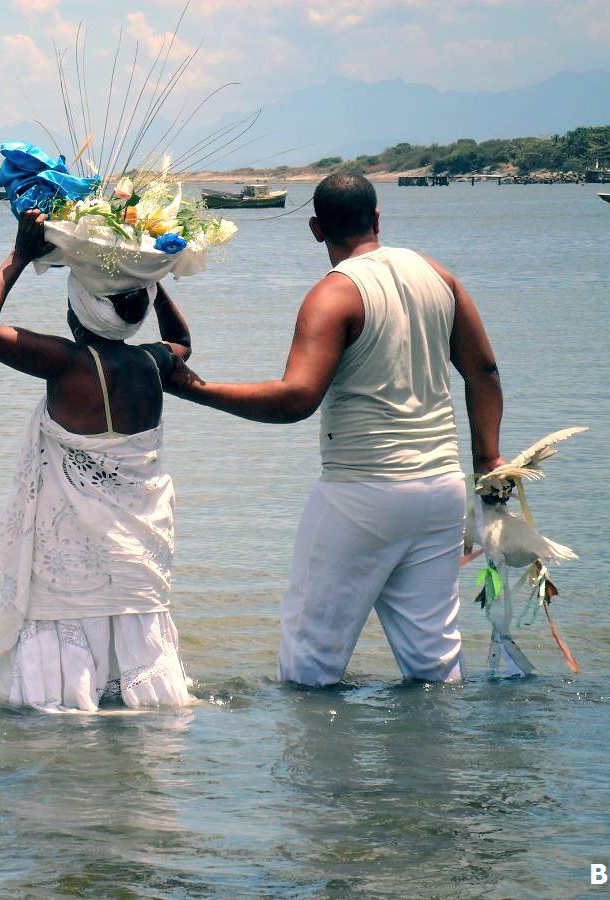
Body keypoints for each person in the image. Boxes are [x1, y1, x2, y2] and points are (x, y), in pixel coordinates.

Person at [165, 173, 505, 686]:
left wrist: (191, 387)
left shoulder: (334, 296)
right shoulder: (438, 276)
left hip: (363, 492)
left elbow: (297, 399)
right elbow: (483, 372)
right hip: (441, 490)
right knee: (435, 664)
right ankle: (438, 766)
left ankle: (318, 766)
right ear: (377, 218)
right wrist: (488, 465)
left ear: (316, 229)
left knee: (310, 662)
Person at [0, 210, 195, 712]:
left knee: (62, 711)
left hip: (73, 562)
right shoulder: (154, 362)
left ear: (77, 312)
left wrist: (20, 255)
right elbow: (184, 344)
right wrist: (149, 277)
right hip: (136, 558)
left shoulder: (66, 364)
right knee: (146, 705)